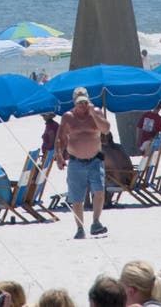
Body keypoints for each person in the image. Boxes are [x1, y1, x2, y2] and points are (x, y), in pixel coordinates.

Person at [54, 86, 110, 239]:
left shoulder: (96, 112)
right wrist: (59, 155)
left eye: (85, 102)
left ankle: (96, 222)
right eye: (79, 103)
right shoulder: (68, 117)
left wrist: (93, 114)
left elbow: (106, 129)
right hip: (75, 161)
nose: (82, 106)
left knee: (99, 191)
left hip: (95, 159)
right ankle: (80, 228)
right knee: (77, 197)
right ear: (74, 102)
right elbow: (60, 138)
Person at [100, 131, 134, 207]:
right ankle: (107, 200)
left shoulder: (103, 150)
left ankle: (88, 202)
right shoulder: (119, 147)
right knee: (108, 173)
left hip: (117, 182)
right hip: (129, 179)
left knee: (93, 176)